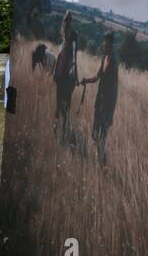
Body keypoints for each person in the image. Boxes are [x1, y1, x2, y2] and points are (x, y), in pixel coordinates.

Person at [79, 29, 121, 167]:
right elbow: (97, 76)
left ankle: (102, 163)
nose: (104, 44)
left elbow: (115, 89)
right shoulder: (104, 58)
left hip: (107, 103)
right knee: (96, 134)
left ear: (111, 43)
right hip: (100, 100)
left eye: (106, 41)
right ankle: (100, 160)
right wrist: (86, 80)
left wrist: (110, 112)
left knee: (102, 135)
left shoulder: (113, 62)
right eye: (104, 41)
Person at [52, 11, 79, 145]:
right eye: (66, 20)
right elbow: (61, 53)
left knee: (66, 105)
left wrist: (75, 70)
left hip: (66, 68)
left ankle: (62, 129)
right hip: (61, 70)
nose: (67, 23)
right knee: (59, 103)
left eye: (69, 20)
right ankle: (57, 127)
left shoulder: (73, 34)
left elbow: (74, 54)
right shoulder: (64, 34)